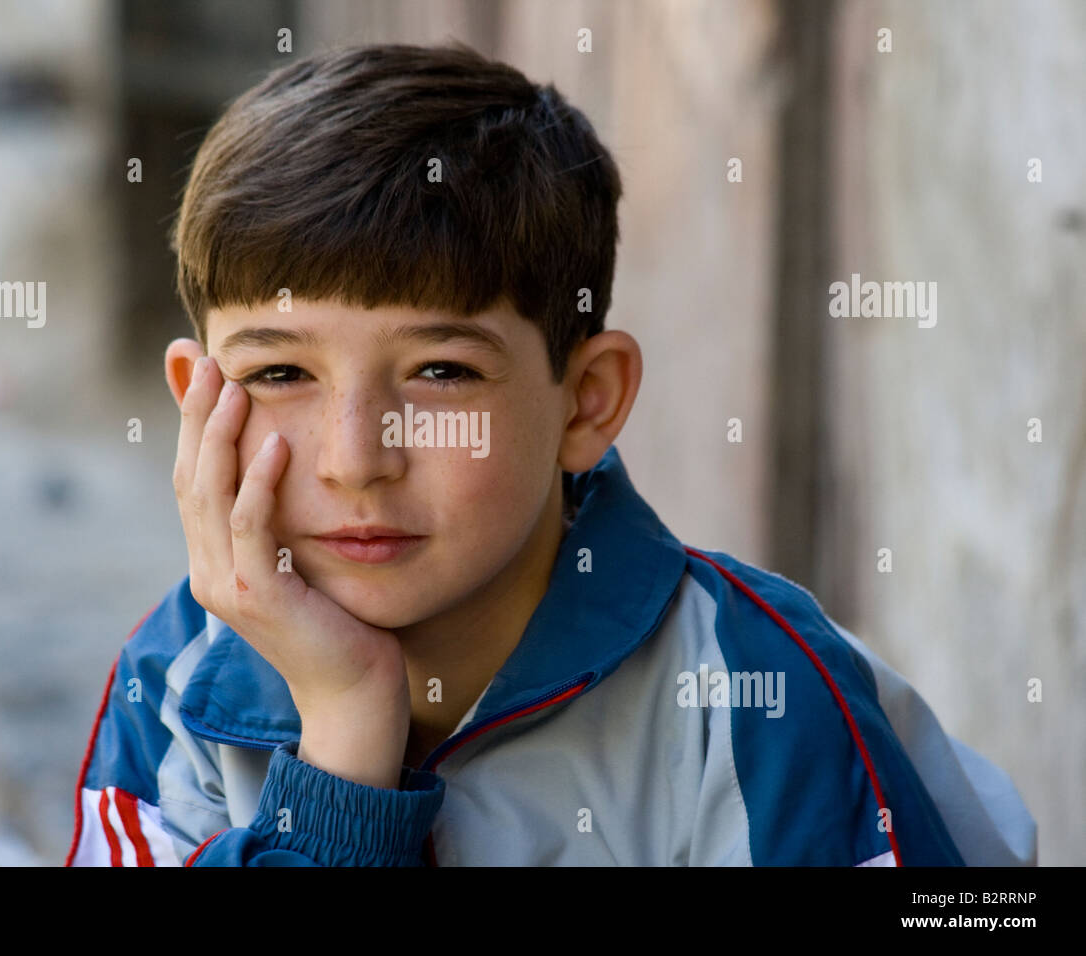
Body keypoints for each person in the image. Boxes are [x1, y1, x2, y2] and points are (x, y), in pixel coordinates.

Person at [66, 41, 1036, 866]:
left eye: (441, 371)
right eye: (281, 373)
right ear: (199, 400)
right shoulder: (178, 674)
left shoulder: (750, 696)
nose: (355, 459)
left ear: (587, 401)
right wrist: (344, 745)